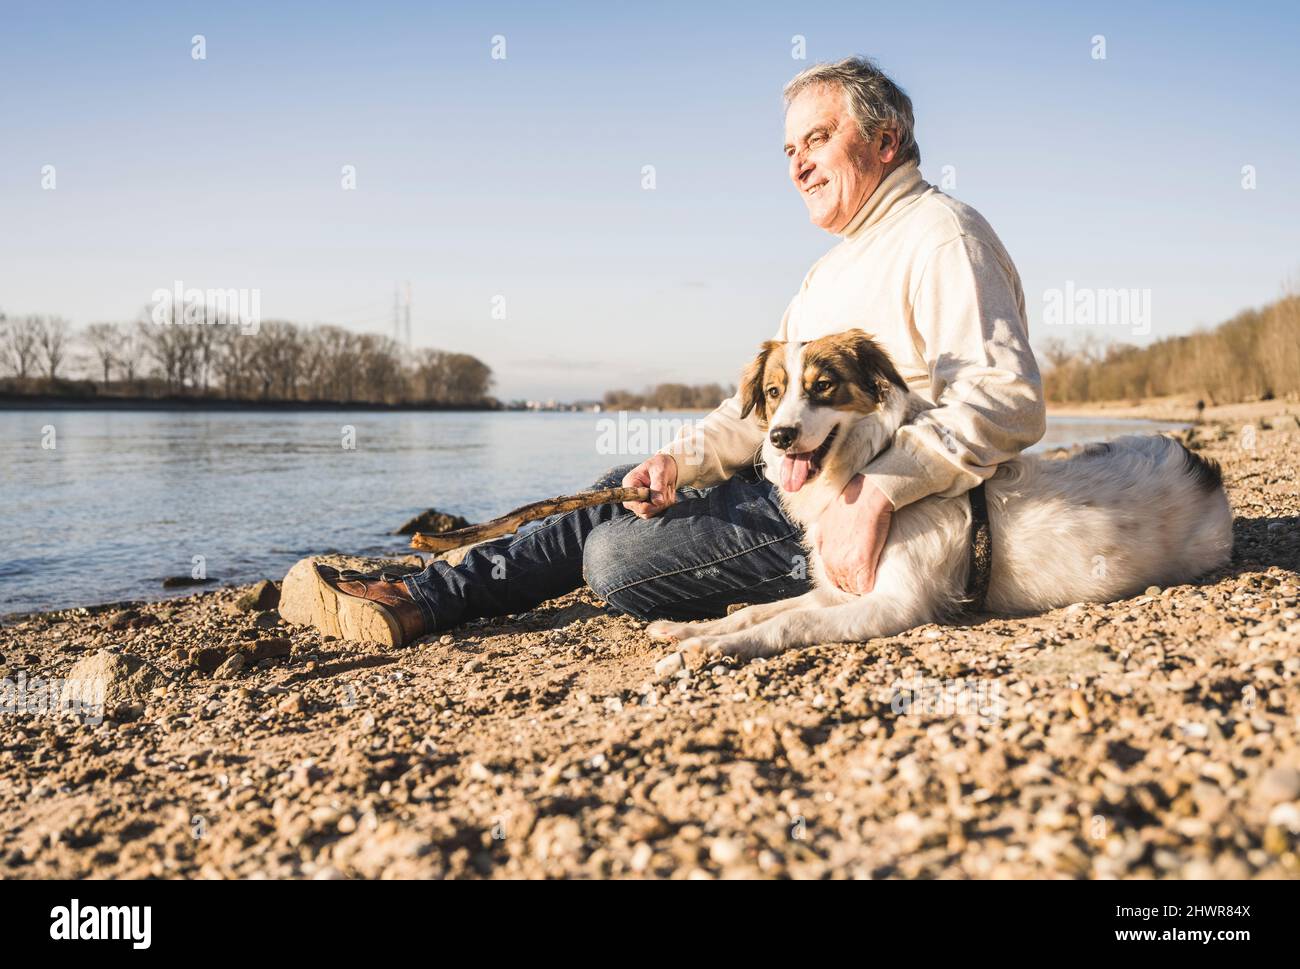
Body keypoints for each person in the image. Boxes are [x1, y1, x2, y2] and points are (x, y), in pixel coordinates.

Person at [306, 56, 1045, 647]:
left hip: (869, 515)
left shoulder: (941, 235)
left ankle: (420, 599)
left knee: (613, 559)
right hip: (791, 484)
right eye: (789, 149)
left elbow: (1005, 398)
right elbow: (757, 412)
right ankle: (423, 599)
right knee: (618, 487)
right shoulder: (833, 268)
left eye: (818, 139)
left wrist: (875, 496)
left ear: (886, 141)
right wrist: (680, 463)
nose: (798, 165)